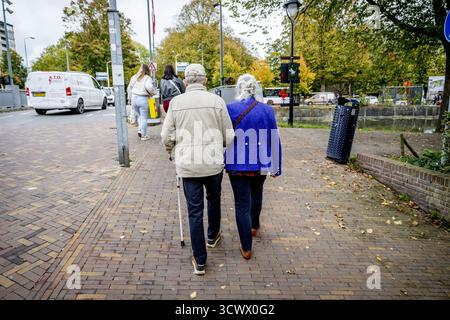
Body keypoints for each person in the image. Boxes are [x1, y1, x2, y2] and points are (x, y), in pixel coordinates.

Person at [161, 64, 234, 276]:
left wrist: (172, 152)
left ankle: (200, 260)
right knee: (214, 198)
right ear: (205, 80)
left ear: (185, 82)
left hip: (188, 165)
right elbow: (229, 135)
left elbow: (166, 136)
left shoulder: (176, 102)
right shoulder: (217, 101)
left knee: (194, 210)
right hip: (212, 163)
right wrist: (217, 147)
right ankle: (213, 236)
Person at [225, 74, 282, 261]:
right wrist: (276, 165)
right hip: (260, 161)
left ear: (238, 88)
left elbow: (224, 136)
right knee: (257, 193)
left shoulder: (230, 109)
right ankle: (254, 225)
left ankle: (246, 247)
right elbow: (274, 137)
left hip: (237, 162)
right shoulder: (267, 110)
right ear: (256, 89)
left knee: (242, 204)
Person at [127, 64, 157, 141]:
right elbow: (149, 87)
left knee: (139, 116)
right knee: (143, 117)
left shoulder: (134, 77)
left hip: (134, 98)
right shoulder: (147, 78)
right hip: (143, 99)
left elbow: (129, 88)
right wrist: (153, 92)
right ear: (147, 70)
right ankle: (144, 135)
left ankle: (140, 130)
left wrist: (129, 99)